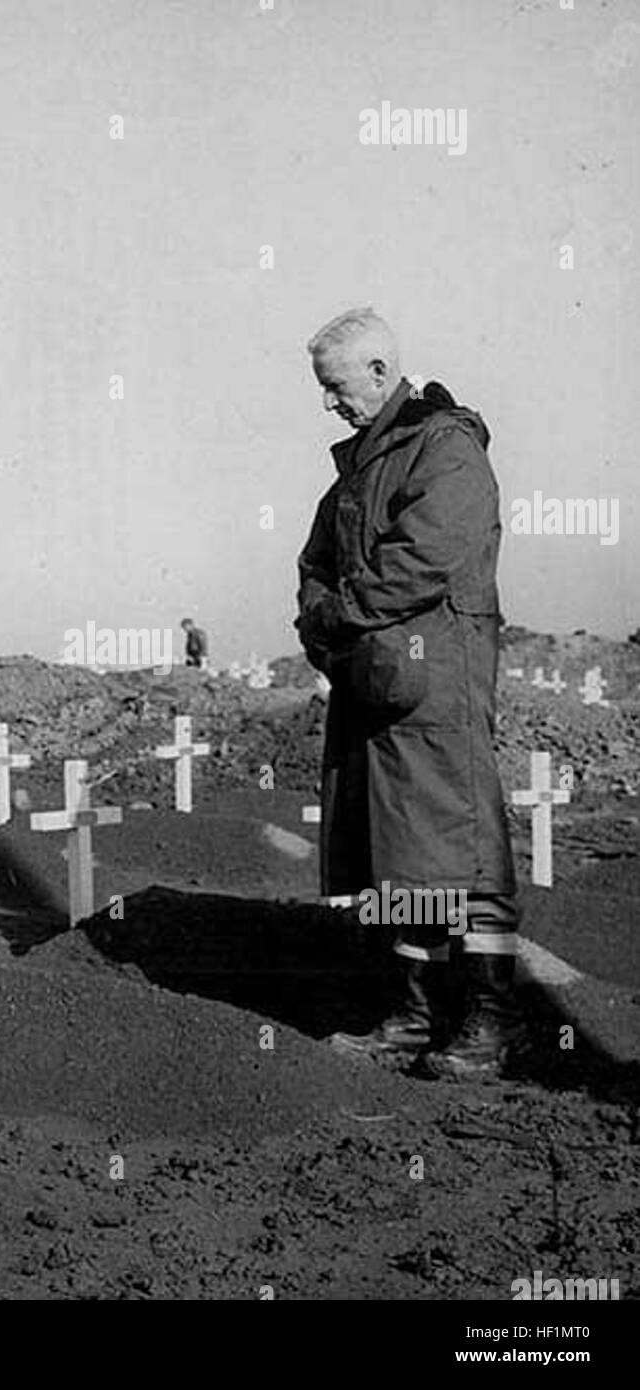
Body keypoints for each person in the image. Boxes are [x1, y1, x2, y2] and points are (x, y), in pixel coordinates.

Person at [295, 307, 523, 1080]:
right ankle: (415, 1013)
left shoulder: (446, 449)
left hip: (438, 681)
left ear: (383, 372)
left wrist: (338, 617)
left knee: (463, 844)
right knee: (399, 852)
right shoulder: (364, 463)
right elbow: (317, 561)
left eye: (337, 387)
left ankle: (489, 1020)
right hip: (378, 680)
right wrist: (324, 630)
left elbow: (422, 558)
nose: (330, 404)